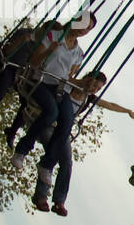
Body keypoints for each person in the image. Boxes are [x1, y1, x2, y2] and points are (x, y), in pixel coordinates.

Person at [32, 71, 134, 216]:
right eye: (94, 85)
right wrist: (81, 83)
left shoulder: (88, 98)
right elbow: (63, 79)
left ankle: (59, 201)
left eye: (98, 88)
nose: (94, 89)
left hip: (62, 132)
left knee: (67, 162)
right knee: (53, 152)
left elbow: (109, 105)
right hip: (49, 125)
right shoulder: (68, 87)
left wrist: (127, 111)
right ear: (88, 79)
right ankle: (41, 195)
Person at [10, 12, 97, 170]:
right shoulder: (53, 35)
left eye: (88, 28)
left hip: (59, 88)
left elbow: (68, 77)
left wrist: (83, 83)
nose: (84, 29)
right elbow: (33, 61)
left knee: (67, 121)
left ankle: (47, 165)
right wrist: (49, 51)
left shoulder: (79, 53)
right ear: (75, 20)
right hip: (40, 81)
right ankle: (22, 151)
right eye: (83, 24)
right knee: (51, 112)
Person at [0, 22, 59, 141]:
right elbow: (7, 51)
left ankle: (12, 131)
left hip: (22, 74)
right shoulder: (25, 33)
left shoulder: (43, 47)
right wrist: (21, 41)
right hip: (8, 65)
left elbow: (36, 65)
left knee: (28, 101)